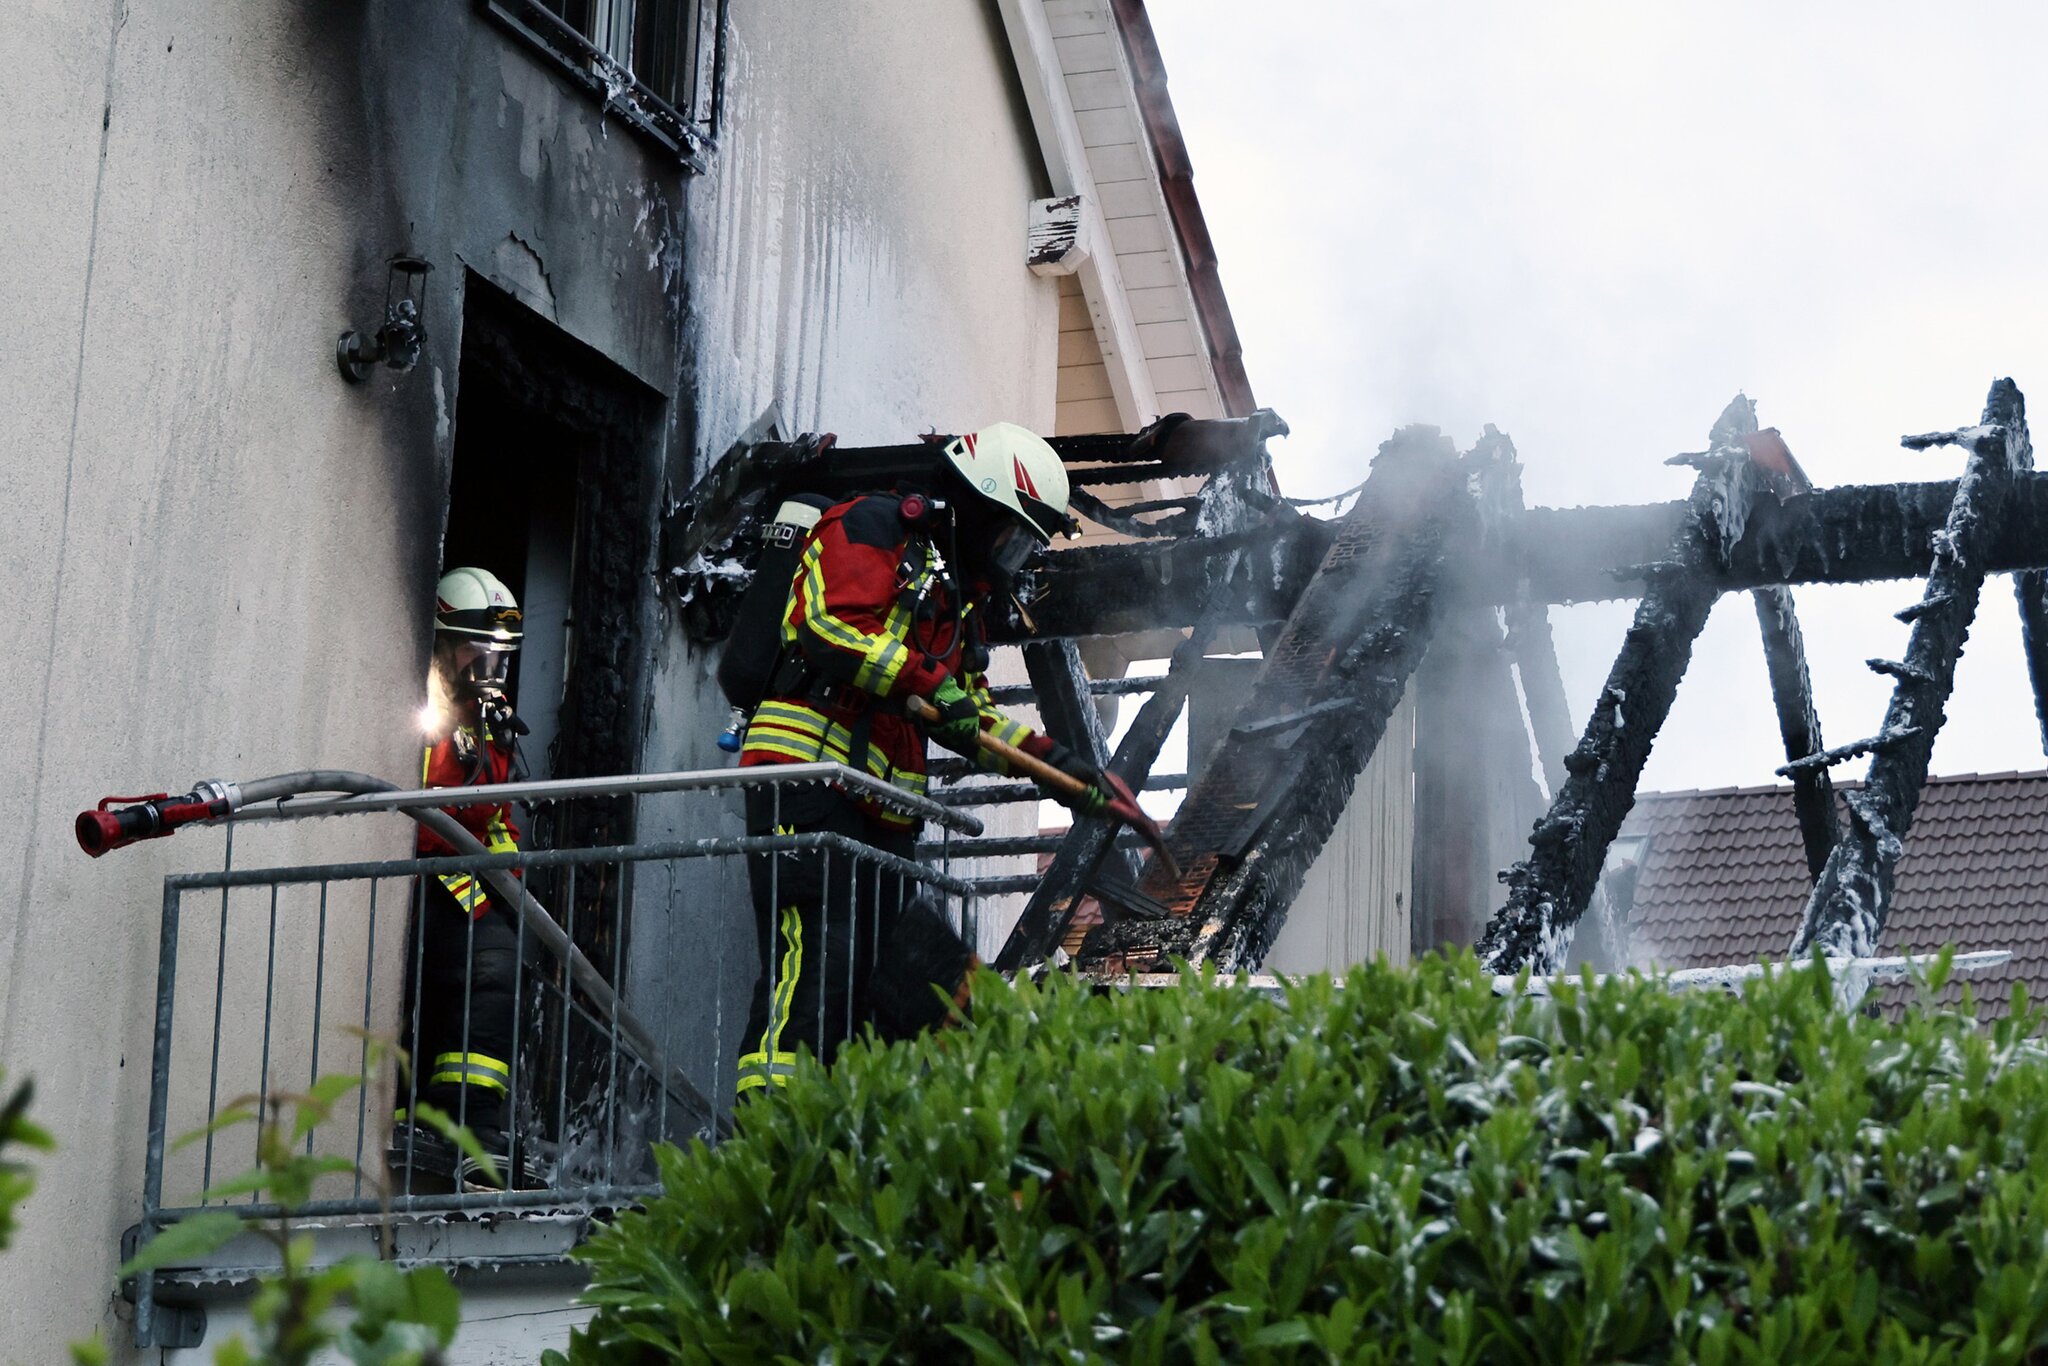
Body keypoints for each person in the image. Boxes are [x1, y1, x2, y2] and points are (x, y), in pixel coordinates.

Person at [734, 422, 1113, 1095]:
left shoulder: (955, 602)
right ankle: (766, 1150)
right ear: (978, 505)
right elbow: (829, 626)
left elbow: (973, 717)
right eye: (1014, 536)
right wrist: (928, 682)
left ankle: (838, 1151)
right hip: (807, 783)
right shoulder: (873, 525)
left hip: (880, 812)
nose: (1014, 556)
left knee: (868, 984)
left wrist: (1061, 766)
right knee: (815, 965)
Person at [391, 566, 529, 1187]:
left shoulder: (484, 719)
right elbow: (410, 809)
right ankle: (450, 1123)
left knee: (491, 969)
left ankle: (469, 1128)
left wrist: (511, 884)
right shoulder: (416, 706)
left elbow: (495, 813)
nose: (489, 666)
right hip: (420, 883)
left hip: (464, 883)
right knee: (483, 966)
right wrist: (476, 884)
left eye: (499, 655)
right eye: (479, 649)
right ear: (443, 641)